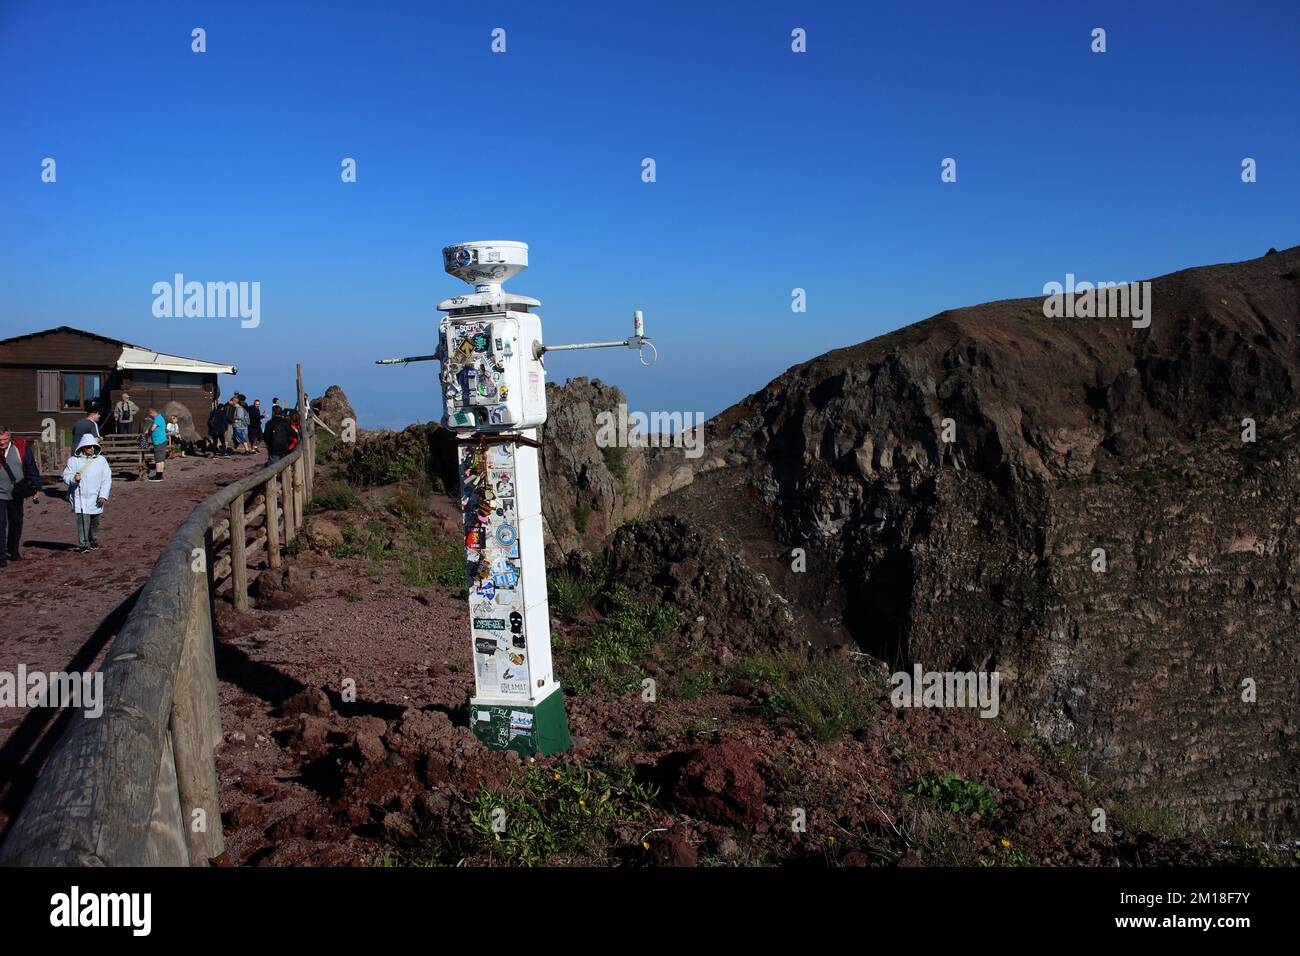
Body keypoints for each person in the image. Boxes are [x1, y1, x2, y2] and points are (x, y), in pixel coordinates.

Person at [0, 426, 43, 567]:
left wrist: (36, 487)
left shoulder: (21, 448)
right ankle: (1, 556)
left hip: (16, 492)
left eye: (5, 439)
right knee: (0, 525)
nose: (2, 443)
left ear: (10, 438)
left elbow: (31, 468)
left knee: (16, 523)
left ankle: (13, 550)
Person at [62, 433, 112, 553]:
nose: (92, 449)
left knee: (95, 519)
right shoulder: (73, 461)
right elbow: (66, 476)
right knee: (82, 520)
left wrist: (103, 495)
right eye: (89, 446)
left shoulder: (101, 461)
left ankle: (92, 537)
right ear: (83, 447)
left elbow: (107, 479)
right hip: (80, 496)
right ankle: (83, 543)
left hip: (96, 495)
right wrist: (74, 479)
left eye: (93, 446)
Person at [147, 407, 167, 481]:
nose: (150, 416)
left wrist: (147, 432)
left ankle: (158, 476)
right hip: (162, 440)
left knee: (158, 459)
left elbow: (152, 428)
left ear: (152, 413)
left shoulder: (157, 418)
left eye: (150, 414)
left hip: (159, 441)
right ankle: (160, 475)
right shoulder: (160, 417)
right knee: (161, 459)